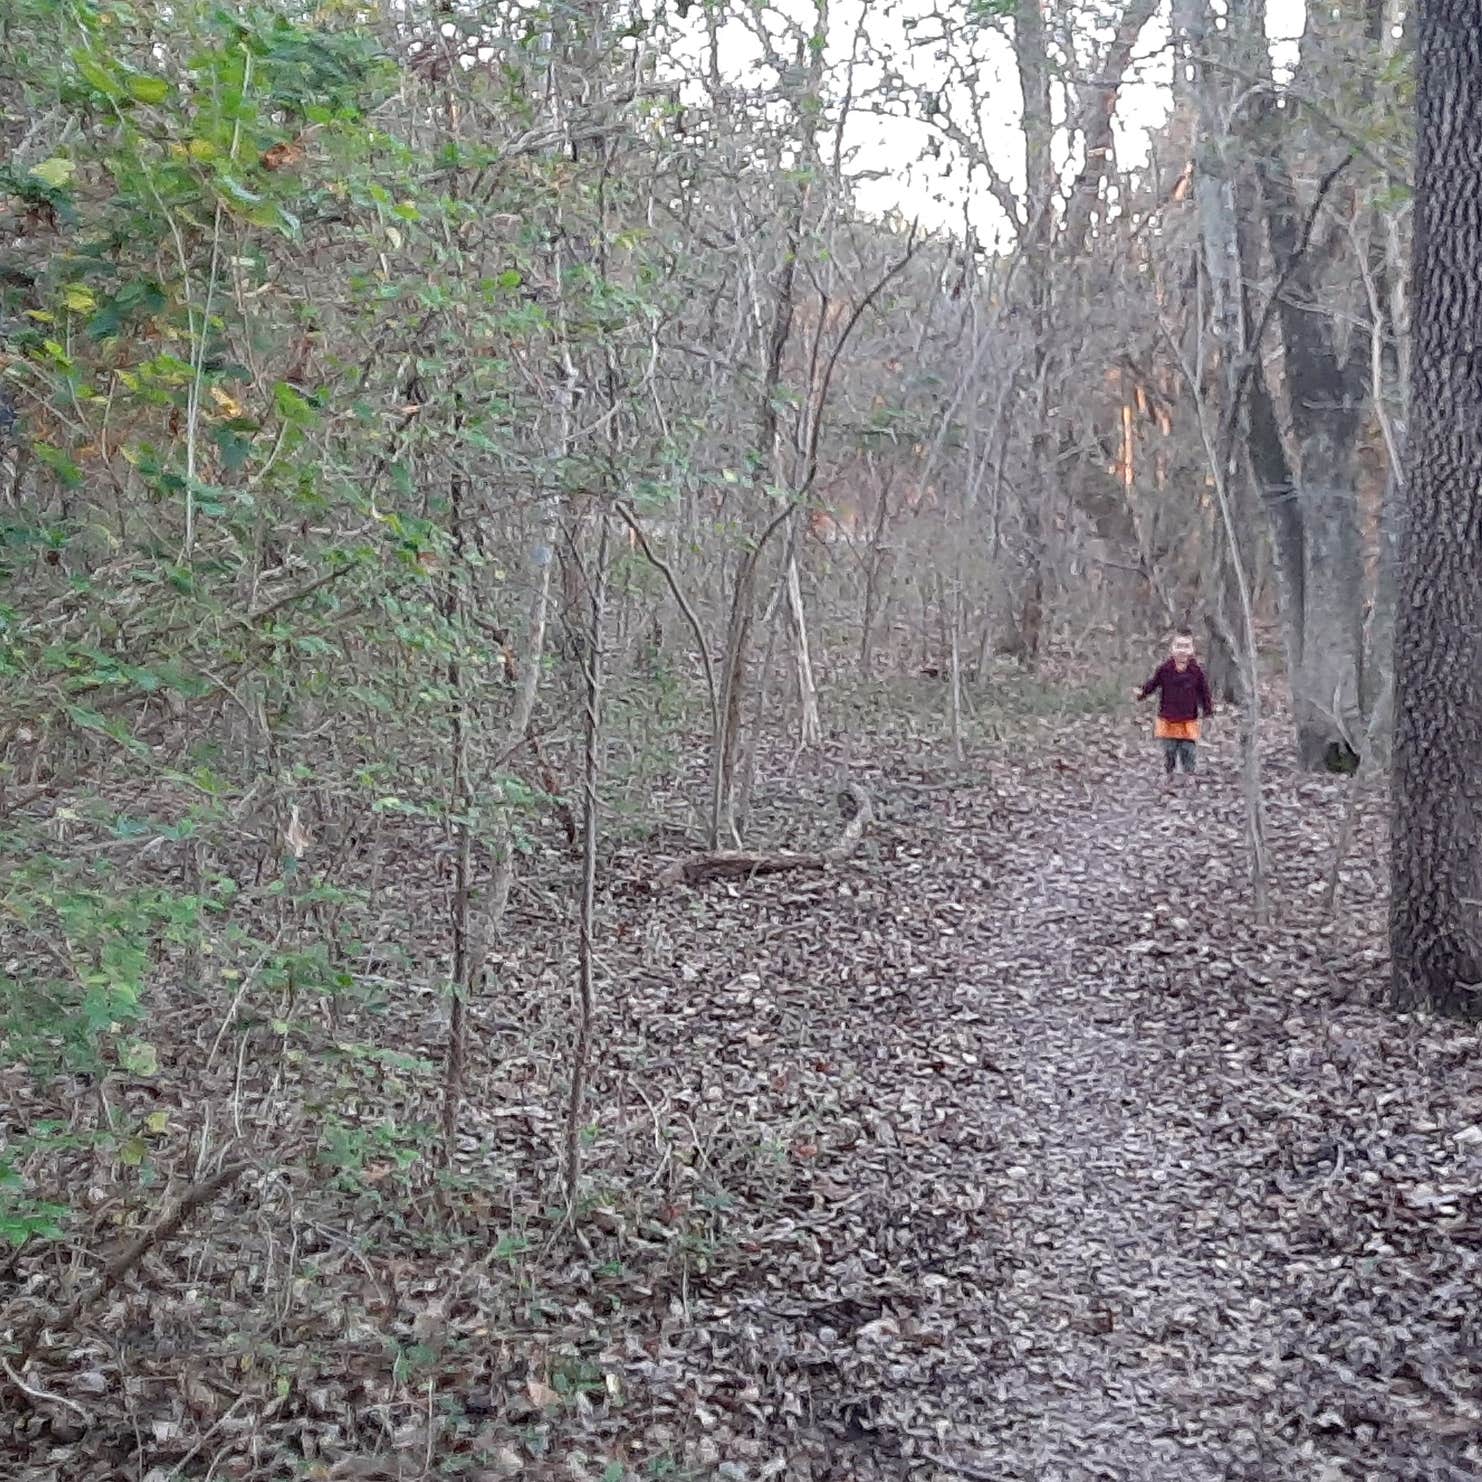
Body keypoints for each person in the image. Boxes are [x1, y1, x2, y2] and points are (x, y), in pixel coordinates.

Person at [1132, 630, 1214, 781]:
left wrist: (1208, 709)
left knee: (1188, 750)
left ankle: (1189, 775)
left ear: (1192, 650)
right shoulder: (1165, 669)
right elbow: (1153, 683)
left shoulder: (1196, 671)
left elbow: (1204, 692)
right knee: (1169, 749)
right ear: (1172, 649)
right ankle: (1169, 772)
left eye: (1186, 646)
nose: (1182, 650)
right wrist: (1142, 693)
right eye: (1179, 646)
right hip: (1168, 717)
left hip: (1189, 718)